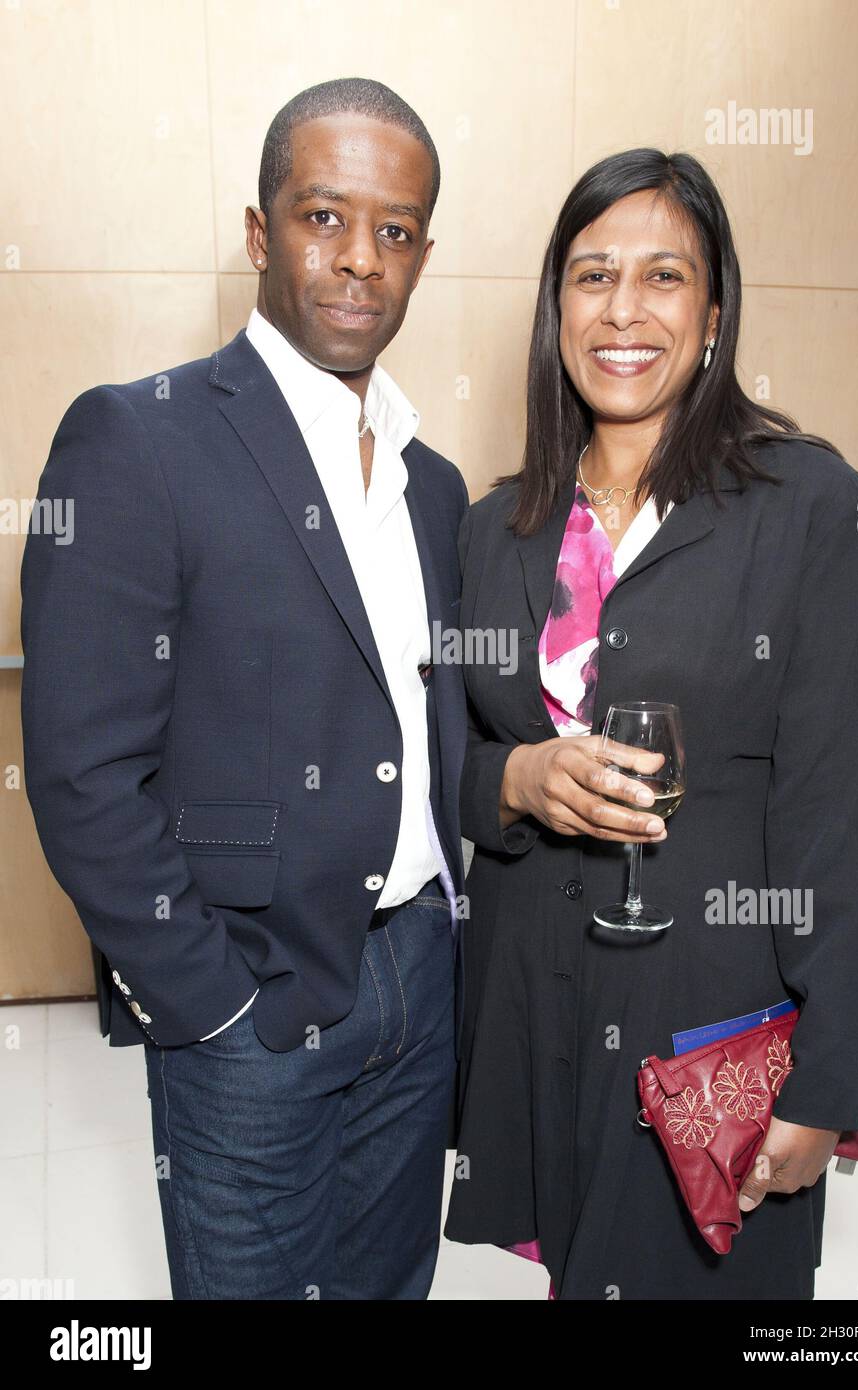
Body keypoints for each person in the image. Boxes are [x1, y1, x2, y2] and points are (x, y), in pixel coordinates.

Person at [20, 78, 470, 1301]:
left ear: (423, 255)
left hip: (417, 987)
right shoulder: (139, 439)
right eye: (325, 217)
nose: (359, 260)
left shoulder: (433, 484)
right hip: (252, 1006)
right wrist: (209, 1003)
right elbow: (80, 771)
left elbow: (424, 728)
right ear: (261, 231)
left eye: (394, 231)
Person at [443, 148, 858, 1300]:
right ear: (556, 310)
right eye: (593, 276)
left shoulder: (804, 507)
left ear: (713, 313)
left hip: (715, 1020)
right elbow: (445, 756)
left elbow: (836, 817)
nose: (623, 310)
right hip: (542, 998)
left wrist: (822, 1084)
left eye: (663, 276)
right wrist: (512, 778)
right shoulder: (496, 526)